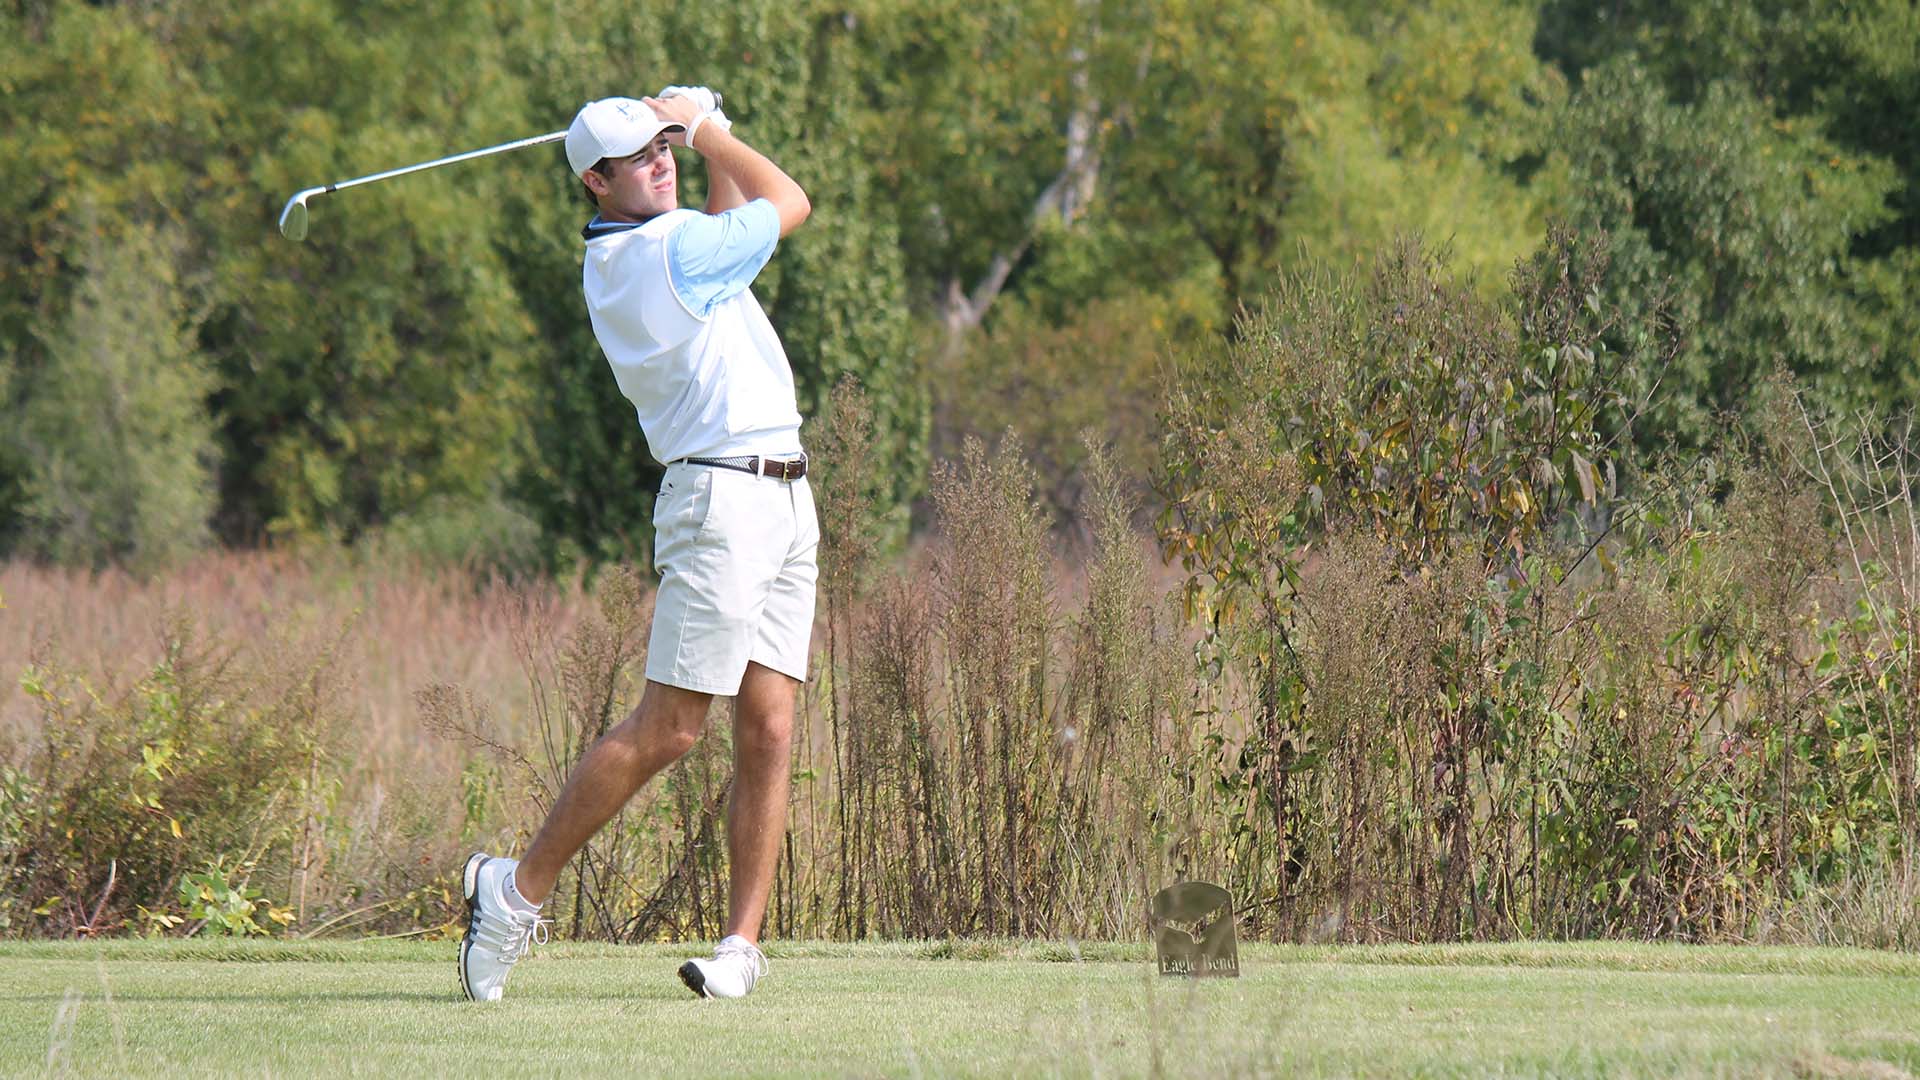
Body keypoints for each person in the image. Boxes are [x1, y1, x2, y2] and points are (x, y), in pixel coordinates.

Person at [458, 86, 816, 1003]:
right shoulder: (662, 254)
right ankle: (513, 892)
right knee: (673, 728)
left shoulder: (654, 247)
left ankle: (740, 947)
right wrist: (710, 131)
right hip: (722, 500)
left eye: (665, 146)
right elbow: (790, 203)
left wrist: (695, 150)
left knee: (769, 724)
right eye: (642, 155)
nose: (660, 159)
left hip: (780, 493)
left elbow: (725, 232)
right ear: (595, 180)